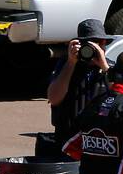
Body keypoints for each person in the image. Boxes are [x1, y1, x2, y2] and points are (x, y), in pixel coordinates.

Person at [46, 18, 112, 154]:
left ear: (104, 44)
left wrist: (104, 66)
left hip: (100, 142)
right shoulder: (66, 64)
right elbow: (54, 98)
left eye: (99, 43)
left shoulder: (110, 69)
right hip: (68, 140)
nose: (93, 49)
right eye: (88, 44)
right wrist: (71, 63)